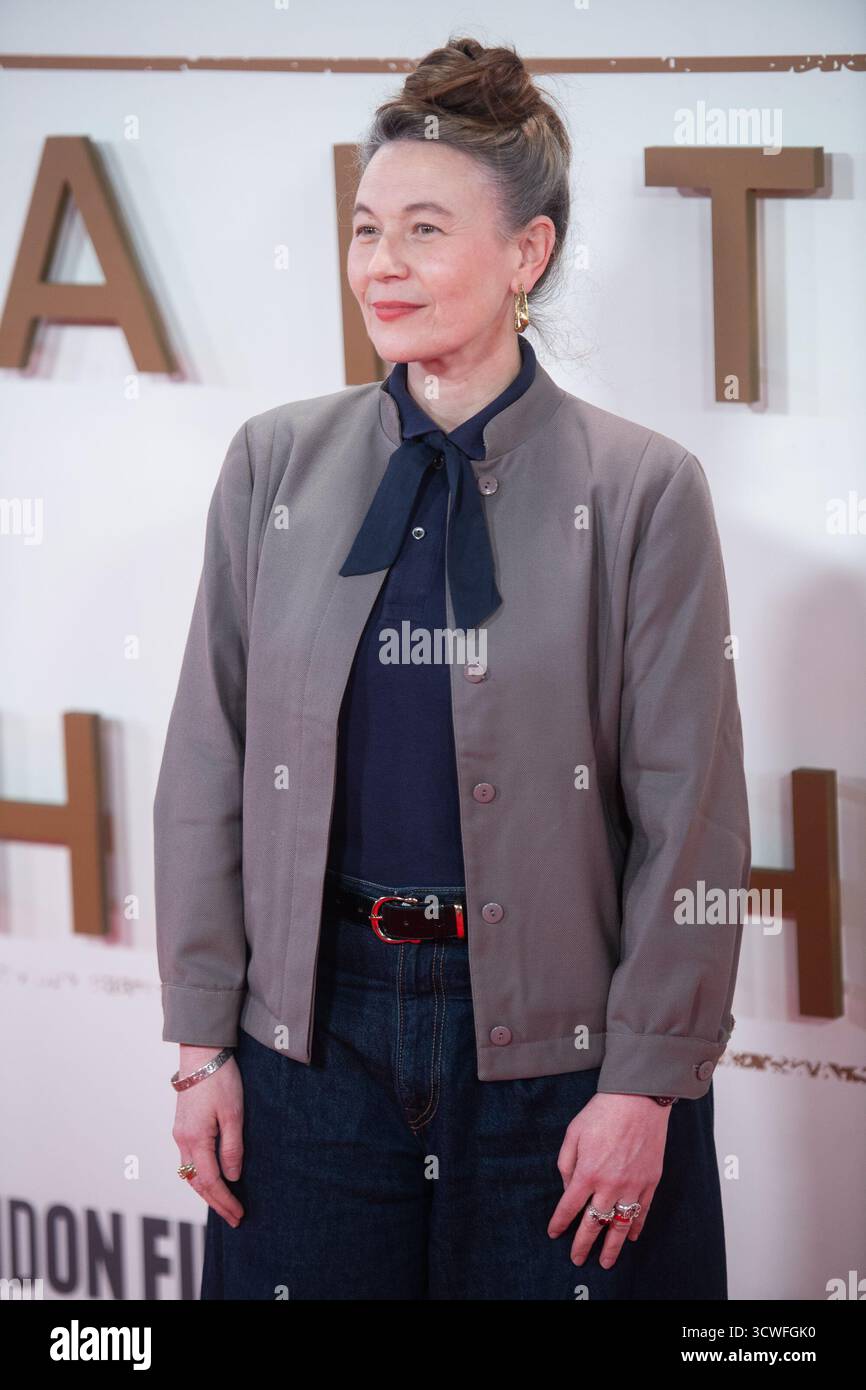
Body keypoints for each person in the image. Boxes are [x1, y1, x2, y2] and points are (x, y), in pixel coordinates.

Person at [154, 35, 751, 1300]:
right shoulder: (272, 464)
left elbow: (688, 816)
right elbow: (206, 754)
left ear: (523, 255)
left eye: (424, 230)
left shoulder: (641, 491)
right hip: (308, 1050)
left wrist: (644, 1078)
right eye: (367, 228)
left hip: (558, 1059)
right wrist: (203, 1043)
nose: (381, 263)